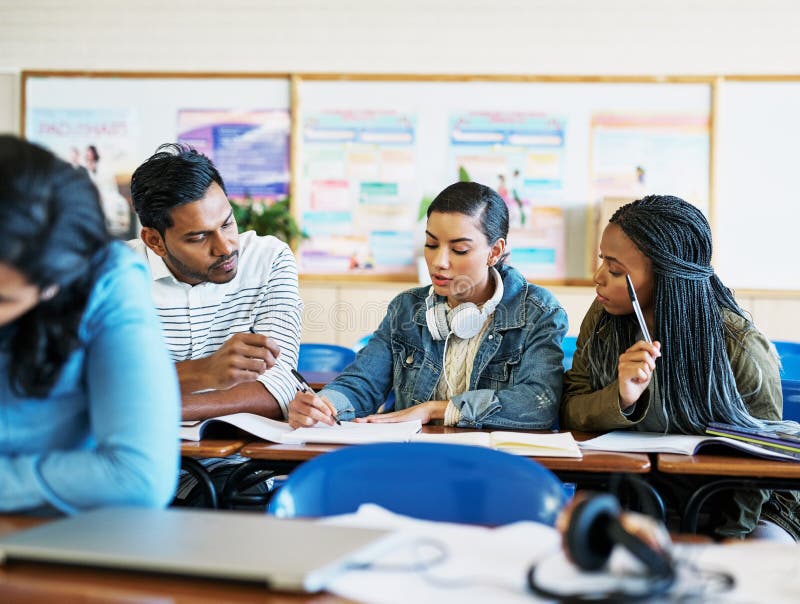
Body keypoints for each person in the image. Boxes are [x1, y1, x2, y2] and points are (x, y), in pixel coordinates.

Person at [561, 194, 798, 541]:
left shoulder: (739, 344)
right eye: (602, 262)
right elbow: (570, 410)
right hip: (638, 495)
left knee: (755, 558)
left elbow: (762, 460)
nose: (598, 277)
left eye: (615, 270)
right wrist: (620, 398)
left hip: (745, 507)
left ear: (666, 276)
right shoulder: (602, 320)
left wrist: (728, 538)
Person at [289, 181, 567, 429]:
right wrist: (325, 405)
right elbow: (363, 382)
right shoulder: (407, 308)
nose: (439, 262)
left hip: (496, 462)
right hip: (414, 457)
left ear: (494, 252)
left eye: (459, 249)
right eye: (431, 244)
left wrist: (436, 409)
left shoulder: (538, 311)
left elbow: (539, 402)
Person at [0, 135, 180, 514]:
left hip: (55, 532)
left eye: (4, 300)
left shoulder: (106, 279)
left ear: (54, 285)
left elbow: (138, 475)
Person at [129, 143, 302, 504]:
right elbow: (88, 385)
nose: (225, 247)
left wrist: (152, 405)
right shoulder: (112, 273)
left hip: (233, 470)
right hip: (130, 462)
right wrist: (205, 372)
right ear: (155, 241)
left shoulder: (269, 260)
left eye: (227, 223)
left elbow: (278, 389)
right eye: (199, 236)